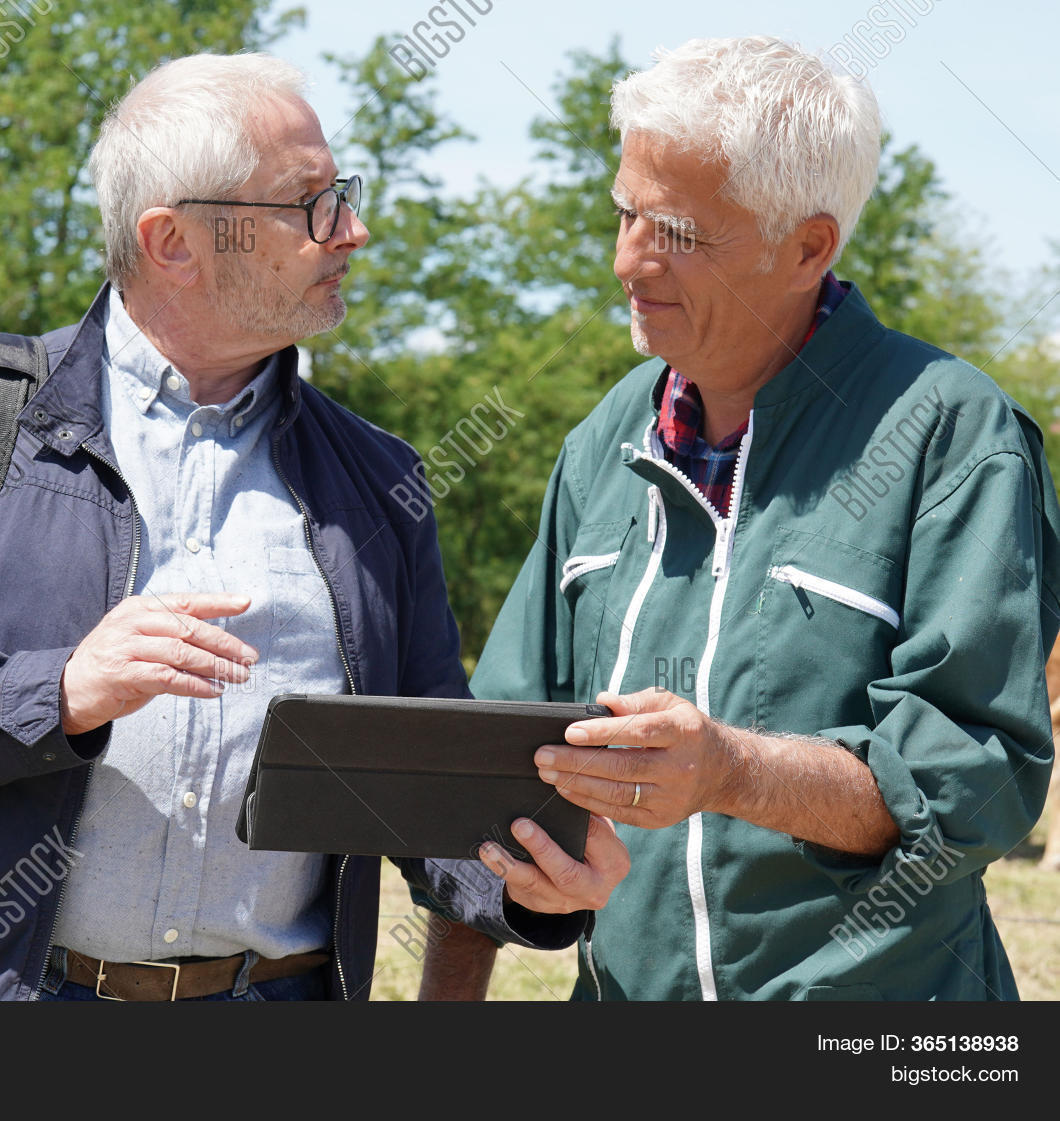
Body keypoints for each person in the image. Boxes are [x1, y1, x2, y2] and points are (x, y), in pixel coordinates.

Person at [0, 52, 623, 1002]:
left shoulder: (378, 479)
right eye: (313, 203)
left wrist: (531, 880)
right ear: (172, 242)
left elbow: (422, 785)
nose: (354, 231)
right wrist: (63, 690)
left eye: (345, 196)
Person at [423, 35, 1060, 1000]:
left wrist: (731, 771)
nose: (625, 261)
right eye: (623, 213)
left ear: (808, 245)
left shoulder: (953, 435)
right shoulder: (603, 440)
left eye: (675, 231)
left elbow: (978, 779)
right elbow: (490, 766)